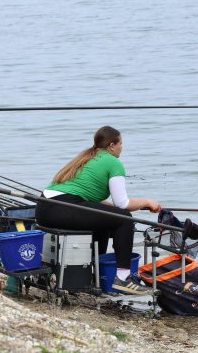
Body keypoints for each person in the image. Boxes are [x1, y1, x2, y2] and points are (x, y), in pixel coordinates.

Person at [36, 125, 162, 294]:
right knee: (126, 219)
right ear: (111, 146)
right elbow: (122, 204)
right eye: (120, 143)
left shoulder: (89, 156)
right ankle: (123, 278)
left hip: (45, 208)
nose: (121, 148)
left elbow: (98, 202)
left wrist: (141, 205)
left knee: (103, 221)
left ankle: (93, 277)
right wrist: (147, 201)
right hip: (63, 207)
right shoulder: (113, 162)